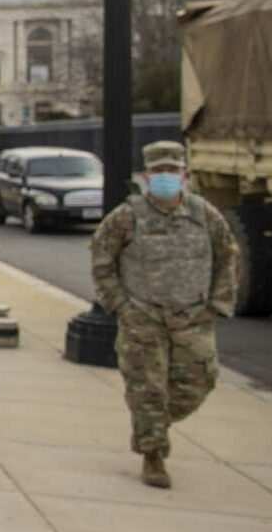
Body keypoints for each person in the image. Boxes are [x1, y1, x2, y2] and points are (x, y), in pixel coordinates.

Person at [90, 141, 237, 490]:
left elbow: (227, 257)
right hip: (144, 317)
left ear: (185, 174)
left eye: (173, 170)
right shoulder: (127, 217)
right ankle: (153, 455)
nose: (166, 177)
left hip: (191, 317)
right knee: (148, 389)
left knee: (199, 382)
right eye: (159, 171)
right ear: (146, 175)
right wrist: (121, 306)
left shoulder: (205, 215)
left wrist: (217, 305)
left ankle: (152, 425)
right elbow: (102, 260)